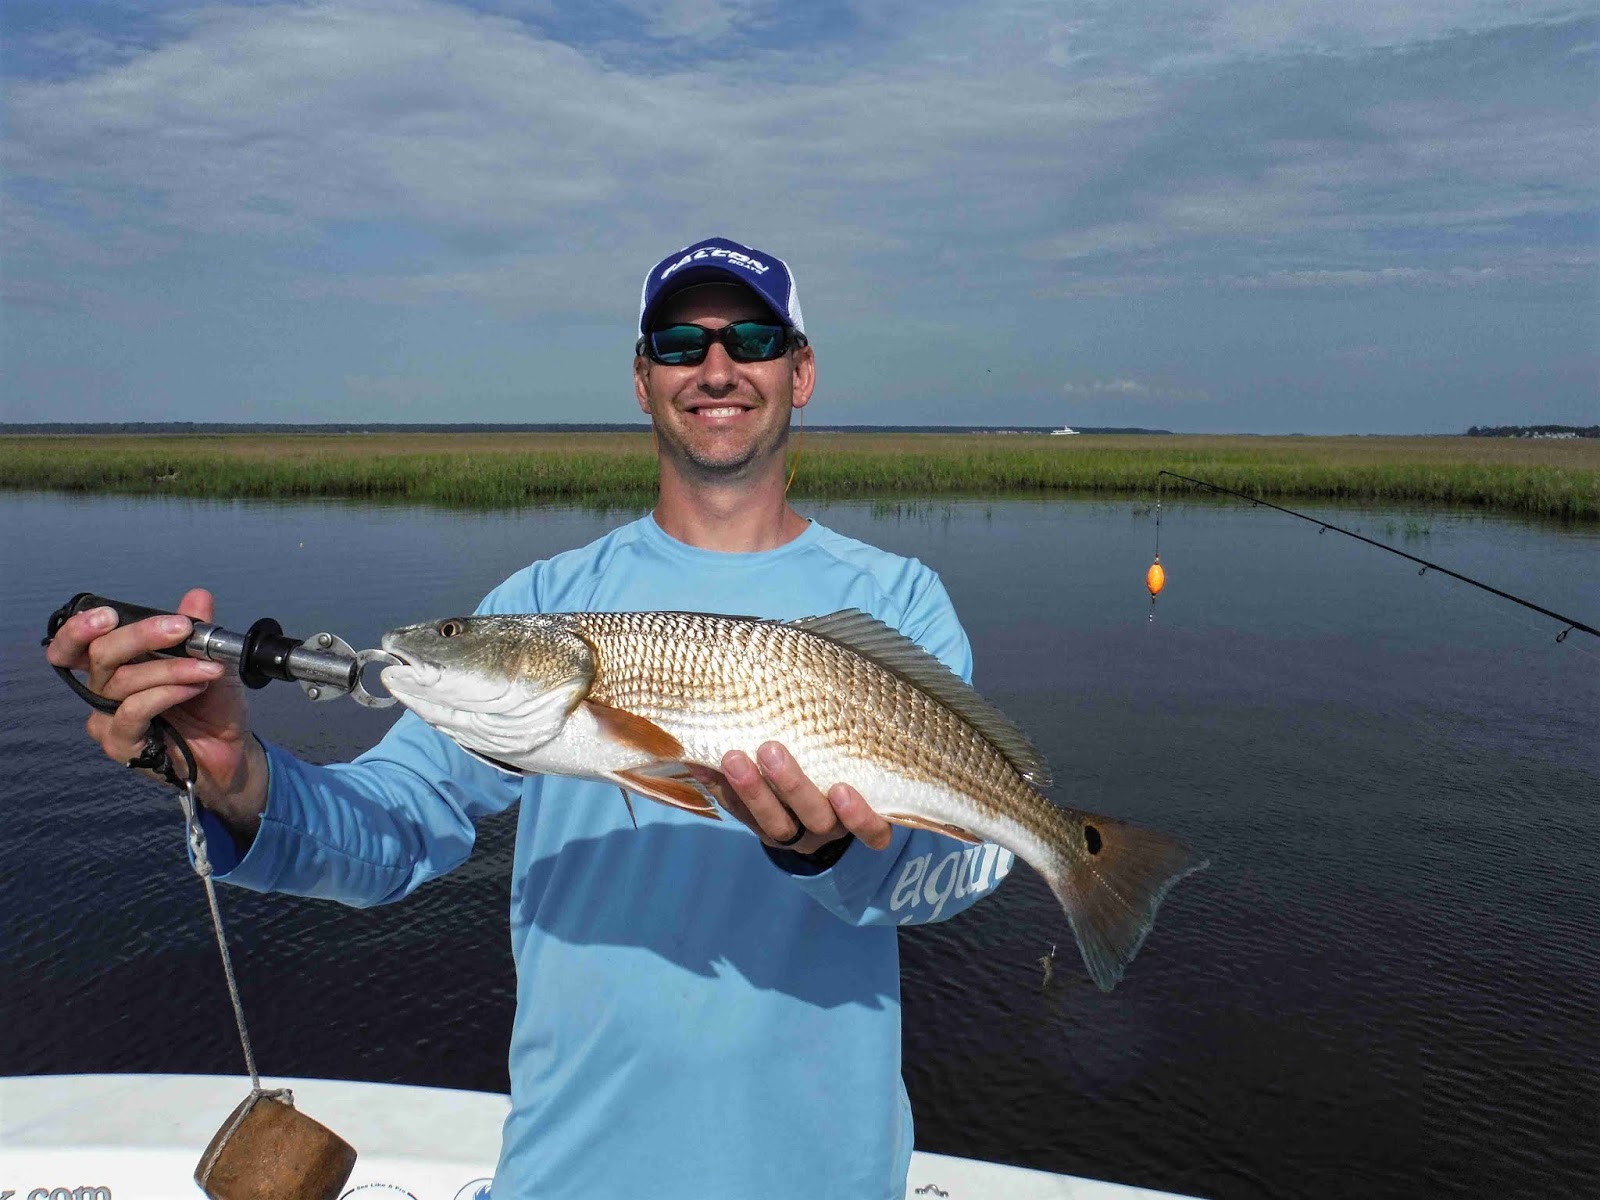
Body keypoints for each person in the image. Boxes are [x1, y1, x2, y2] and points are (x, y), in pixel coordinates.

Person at [46, 236, 1012, 1200]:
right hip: (572, 1171)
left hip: (823, 1176)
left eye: (752, 339)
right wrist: (238, 779)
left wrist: (832, 855)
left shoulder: (900, 606)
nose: (716, 368)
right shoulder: (543, 602)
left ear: (800, 373)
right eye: (679, 344)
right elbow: (396, 824)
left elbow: (954, 872)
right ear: (642, 379)